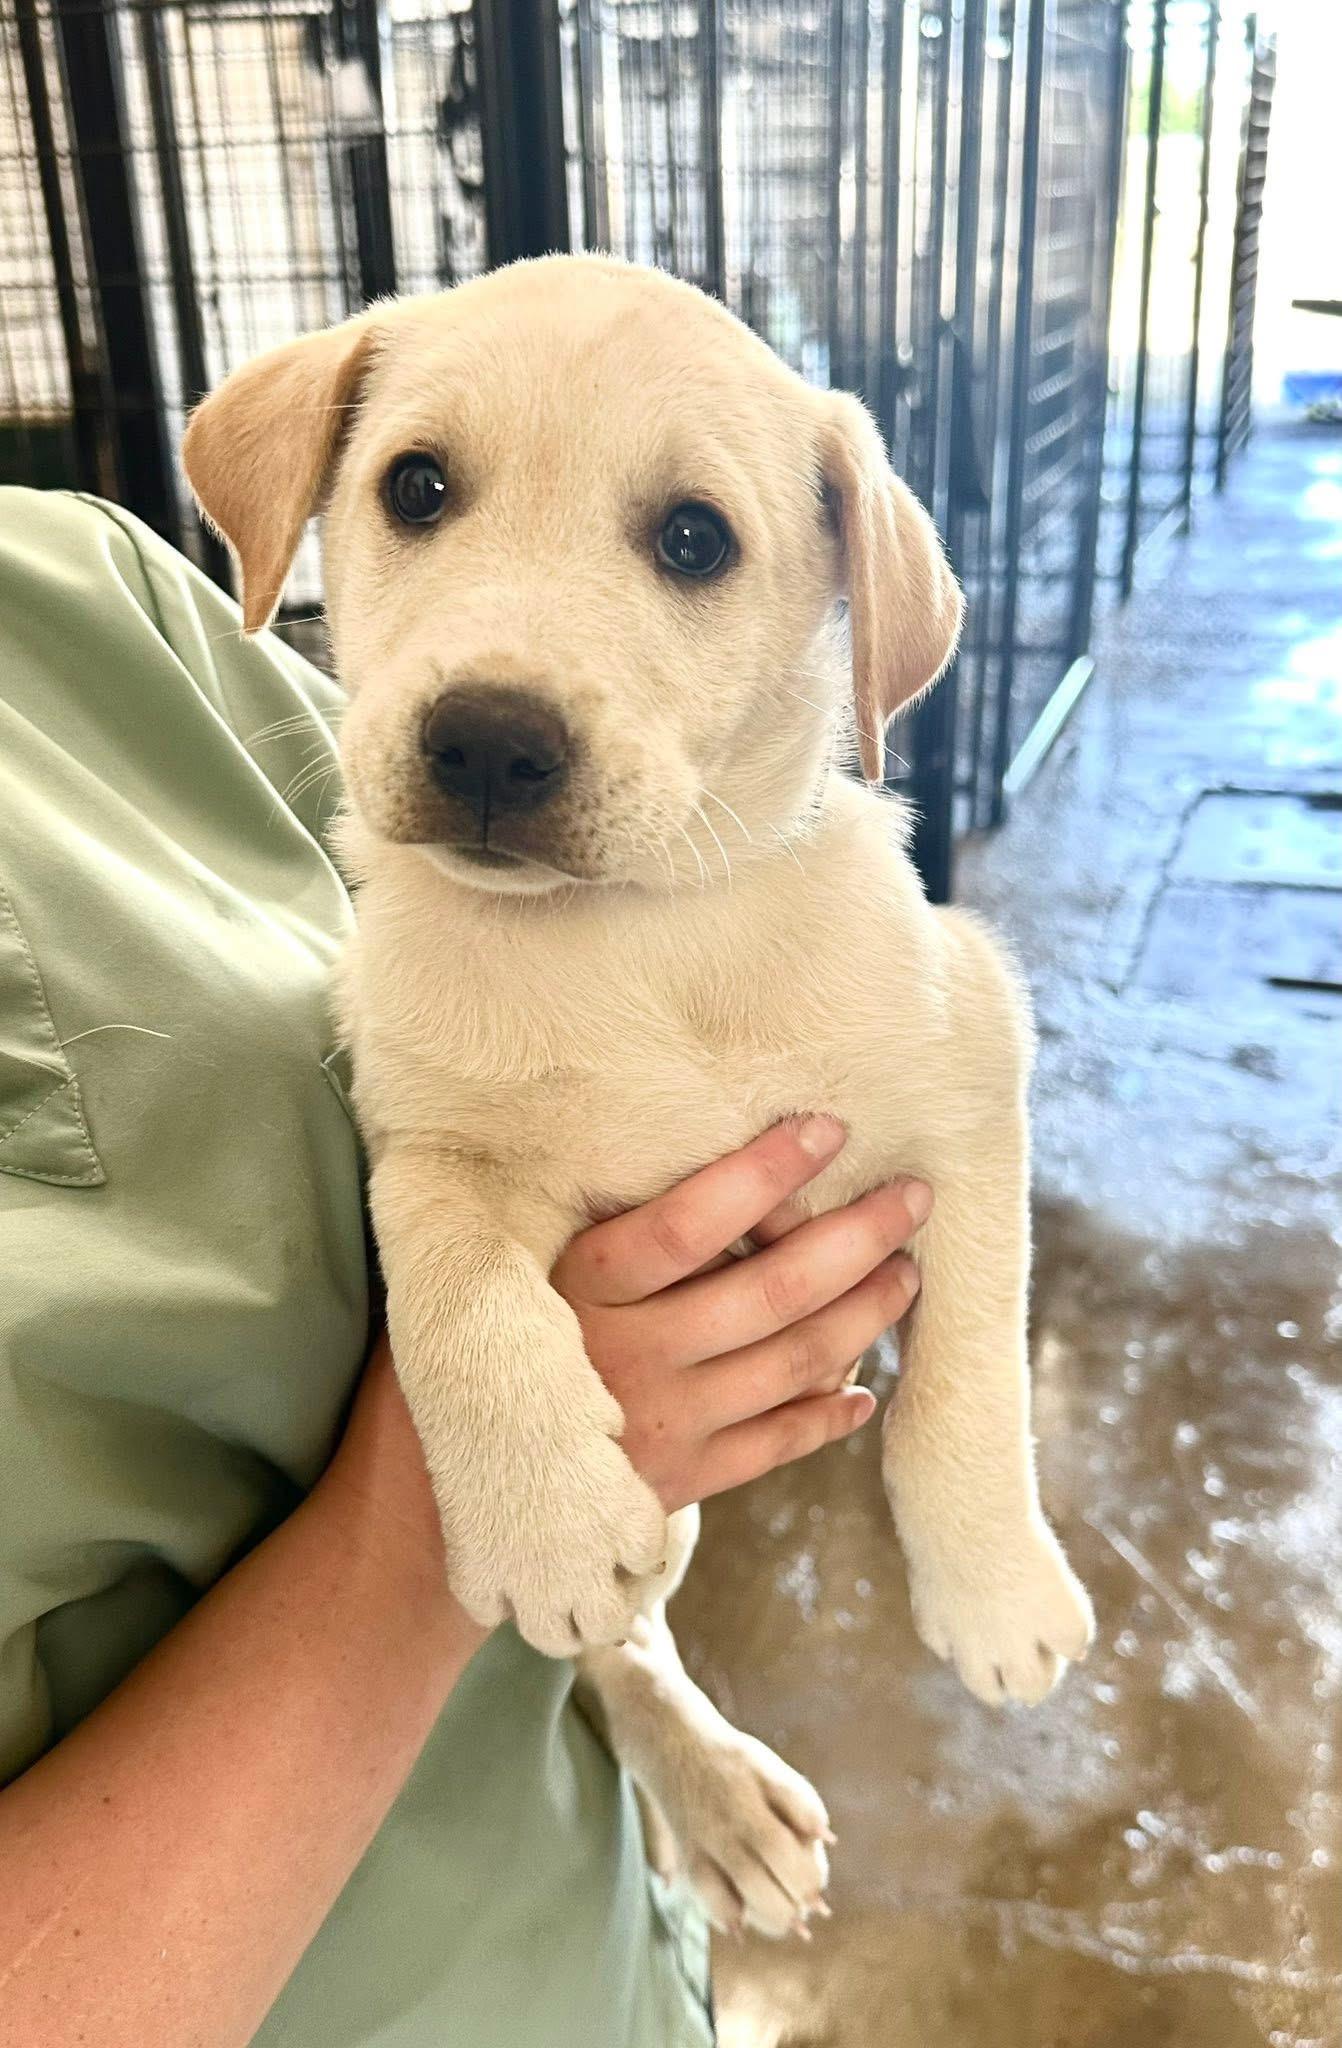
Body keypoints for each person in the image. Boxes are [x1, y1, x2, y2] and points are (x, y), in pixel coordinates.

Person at [0, 489, 928, 2047]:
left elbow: (547, 896)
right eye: (422, 495)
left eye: (689, 540)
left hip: (589, 1919)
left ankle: (637, 1692)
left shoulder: (71, 586)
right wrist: (450, 1497)